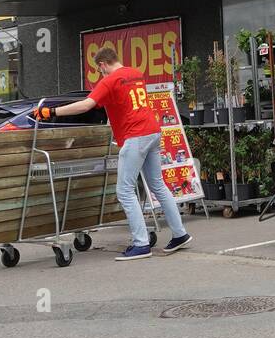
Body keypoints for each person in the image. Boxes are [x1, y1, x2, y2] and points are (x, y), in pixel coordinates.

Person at [33, 46, 191, 260]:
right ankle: (180, 235)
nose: (101, 74)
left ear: (102, 65)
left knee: (125, 191)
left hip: (135, 136)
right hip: (153, 131)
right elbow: (120, 102)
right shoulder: (135, 74)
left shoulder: (109, 80)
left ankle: (141, 244)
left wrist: (51, 112)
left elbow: (86, 105)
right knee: (158, 185)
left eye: (100, 71)